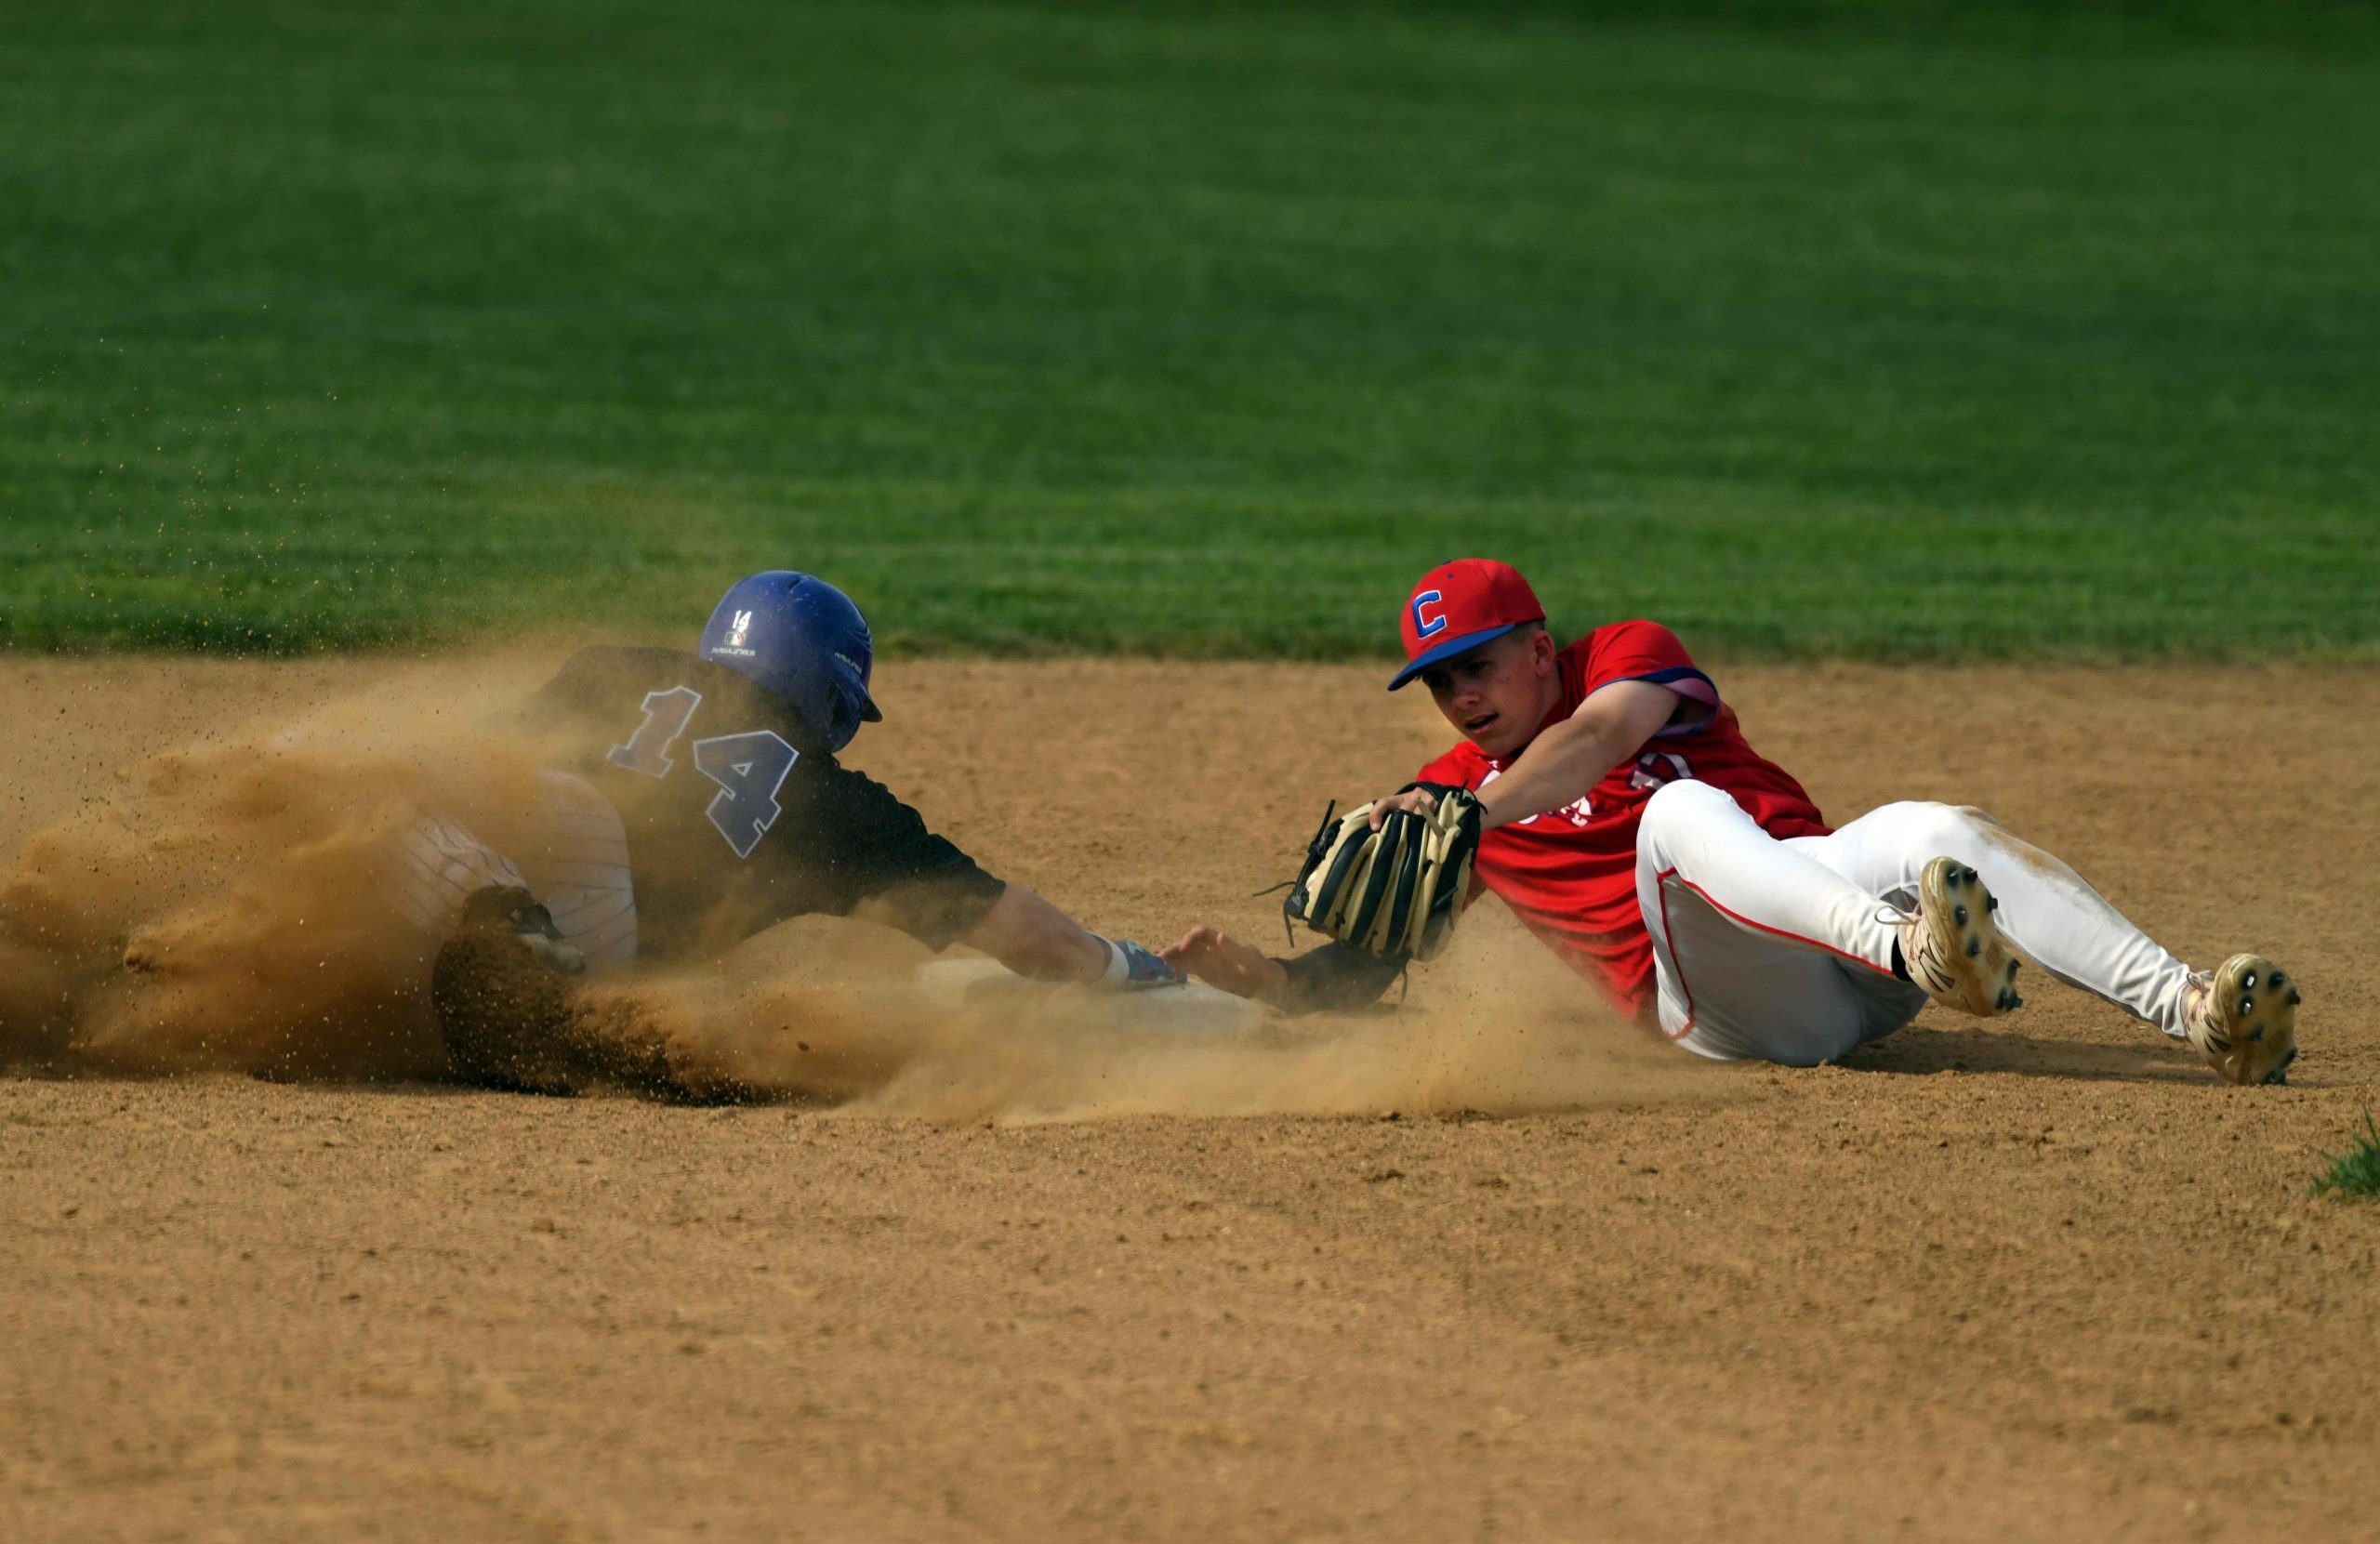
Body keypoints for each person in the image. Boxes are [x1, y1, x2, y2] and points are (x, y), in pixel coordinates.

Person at [1163, 558, 2300, 1085]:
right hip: (1726, 1013)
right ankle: (1912, 944)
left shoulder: (1617, 666)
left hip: (1843, 952)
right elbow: (1359, 975)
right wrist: (1265, 978)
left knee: (1929, 823)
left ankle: (2195, 1011)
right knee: (1681, 818)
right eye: (1436, 681)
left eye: (1474, 665)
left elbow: (1599, 742)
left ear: (1538, 646)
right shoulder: (1448, 804)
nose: (1460, 696)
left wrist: (1465, 806)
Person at [400, 570, 1181, 1093]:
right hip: (595, 925)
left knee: (425, 811)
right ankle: (520, 973)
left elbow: (489, 755)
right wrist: (1123, 964)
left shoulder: (609, 666)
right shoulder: (839, 806)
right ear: (828, 696)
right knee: (563, 873)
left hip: (461, 853)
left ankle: (488, 942)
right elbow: (1029, 935)